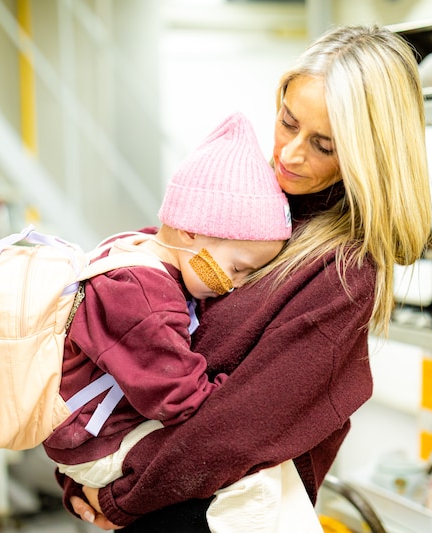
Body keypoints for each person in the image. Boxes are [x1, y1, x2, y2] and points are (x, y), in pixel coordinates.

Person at [61, 24, 432, 531]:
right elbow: (127, 320)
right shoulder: (249, 199)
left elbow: (237, 428)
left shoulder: (343, 271)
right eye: (287, 122)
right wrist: (82, 457)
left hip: (205, 505)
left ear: (370, 156)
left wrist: (118, 495)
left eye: (324, 145)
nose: (290, 153)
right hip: (150, 484)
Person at [44, 111, 315, 532]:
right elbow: (177, 396)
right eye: (237, 268)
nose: (232, 286)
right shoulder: (141, 294)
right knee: (253, 482)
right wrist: (241, 393)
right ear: (190, 232)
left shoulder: (134, 249)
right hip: (98, 443)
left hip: (96, 432)